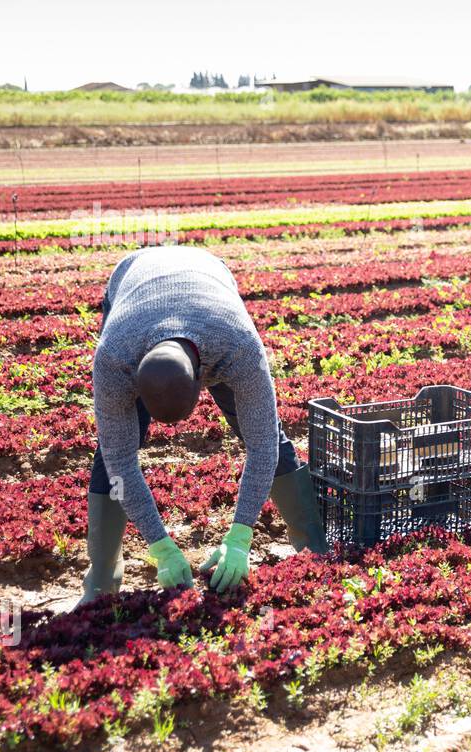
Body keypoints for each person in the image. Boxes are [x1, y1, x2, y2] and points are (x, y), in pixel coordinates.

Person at [76, 245, 327, 609]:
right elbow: (120, 460)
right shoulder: (114, 358)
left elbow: (263, 444)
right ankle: (101, 580)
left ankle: (313, 549)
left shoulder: (238, 346)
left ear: (204, 380)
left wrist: (240, 535)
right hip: (132, 284)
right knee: (111, 448)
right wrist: (159, 545)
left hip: (207, 284)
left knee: (260, 429)